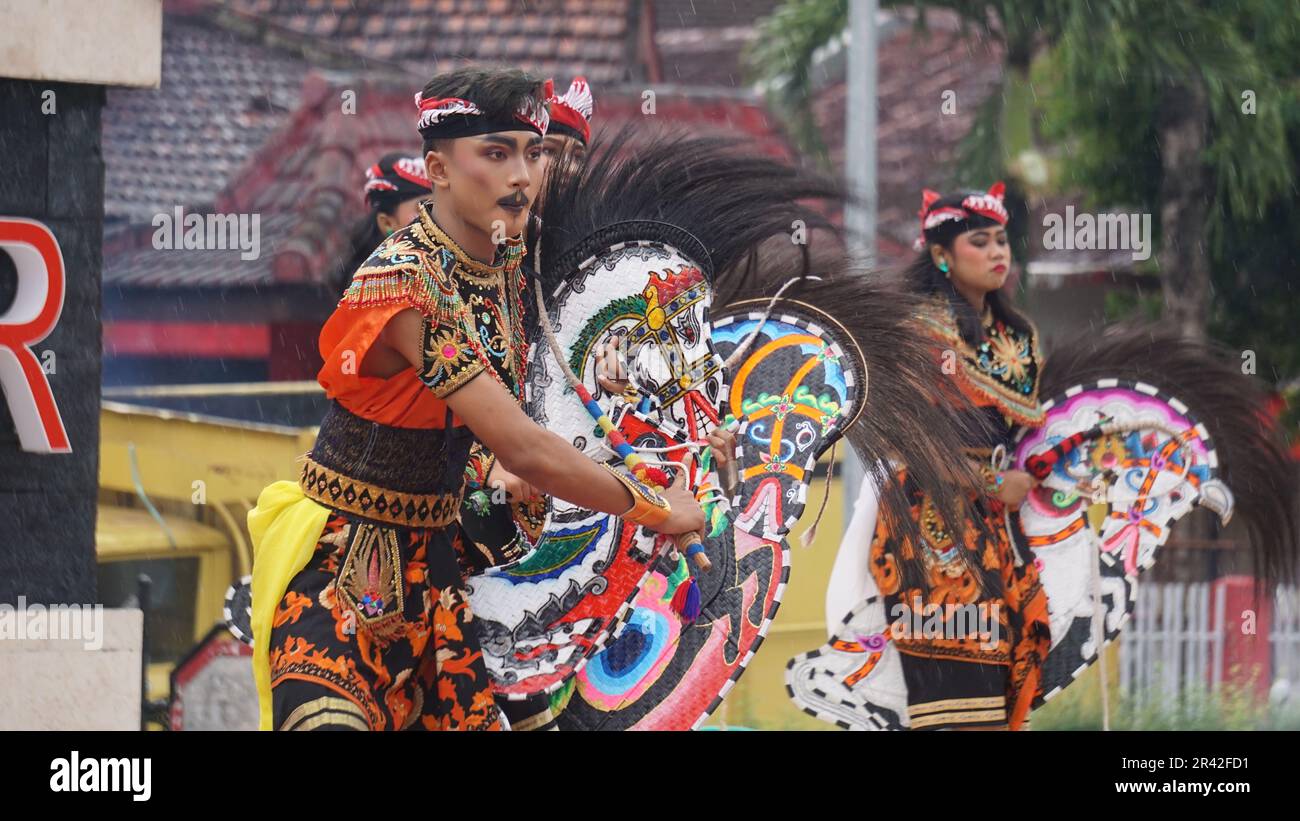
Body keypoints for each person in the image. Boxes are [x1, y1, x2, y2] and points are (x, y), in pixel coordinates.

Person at [247, 66, 704, 731]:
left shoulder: (511, 269)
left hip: (448, 579)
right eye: (496, 153)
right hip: (347, 576)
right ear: (437, 167)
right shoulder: (403, 284)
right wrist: (657, 507)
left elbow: (544, 414)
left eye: (533, 152)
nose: (522, 175)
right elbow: (521, 443)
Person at [853, 183, 1051, 731]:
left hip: (998, 522)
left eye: (1002, 242)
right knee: (959, 693)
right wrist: (990, 483)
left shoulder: (1016, 336)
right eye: (981, 242)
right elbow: (911, 436)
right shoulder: (918, 329)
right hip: (930, 515)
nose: (998, 254)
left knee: (1010, 671)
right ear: (942, 255)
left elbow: (1021, 435)